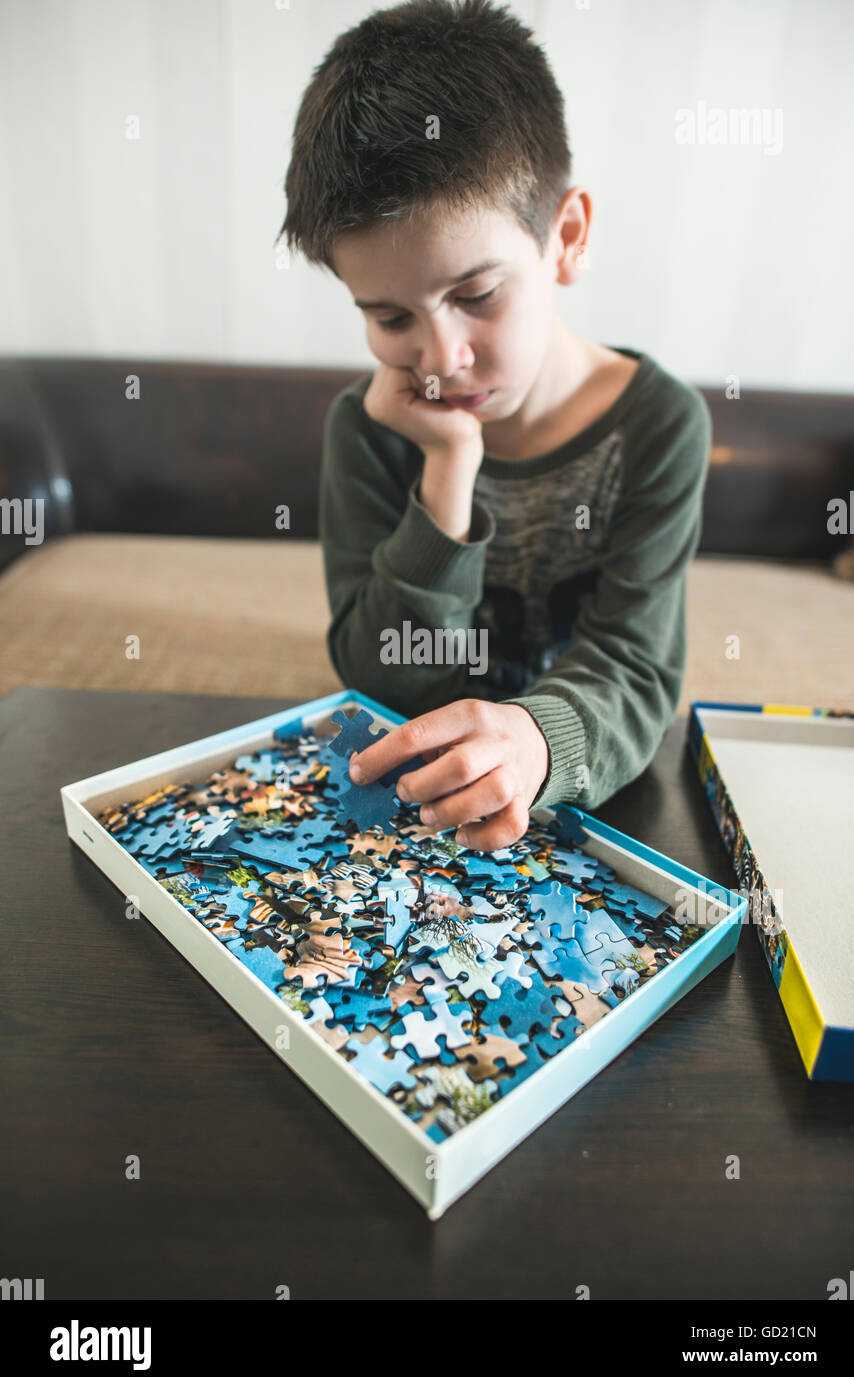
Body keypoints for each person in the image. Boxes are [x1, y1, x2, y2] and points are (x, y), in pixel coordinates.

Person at [276, 0, 711, 851]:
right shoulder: (368, 429)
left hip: (581, 795)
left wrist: (538, 738)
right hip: (422, 801)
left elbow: (634, 668)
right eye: (389, 317)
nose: (441, 358)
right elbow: (378, 678)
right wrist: (447, 471)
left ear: (567, 237)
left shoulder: (658, 424)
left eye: (476, 296)